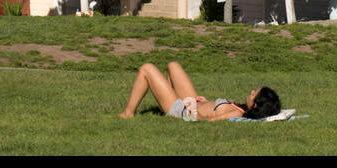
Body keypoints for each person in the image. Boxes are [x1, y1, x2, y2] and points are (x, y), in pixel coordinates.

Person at [119, 61, 281, 121]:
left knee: (147, 69)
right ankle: (167, 102)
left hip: (185, 112)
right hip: (193, 102)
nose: (251, 91)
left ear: (255, 106)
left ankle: (128, 113)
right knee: (173, 66)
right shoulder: (241, 108)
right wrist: (205, 103)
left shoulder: (237, 114)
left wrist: (200, 116)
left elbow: (211, 122)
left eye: (254, 94)